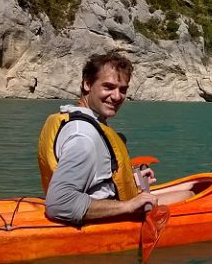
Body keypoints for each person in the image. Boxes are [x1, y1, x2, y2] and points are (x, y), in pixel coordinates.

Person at [37, 52, 160, 225]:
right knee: (188, 194)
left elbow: (90, 183)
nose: (117, 96)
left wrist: (130, 180)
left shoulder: (77, 120)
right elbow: (60, 204)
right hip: (94, 222)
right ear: (87, 84)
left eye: (122, 89)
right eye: (108, 87)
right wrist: (128, 206)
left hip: (100, 201)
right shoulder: (83, 137)